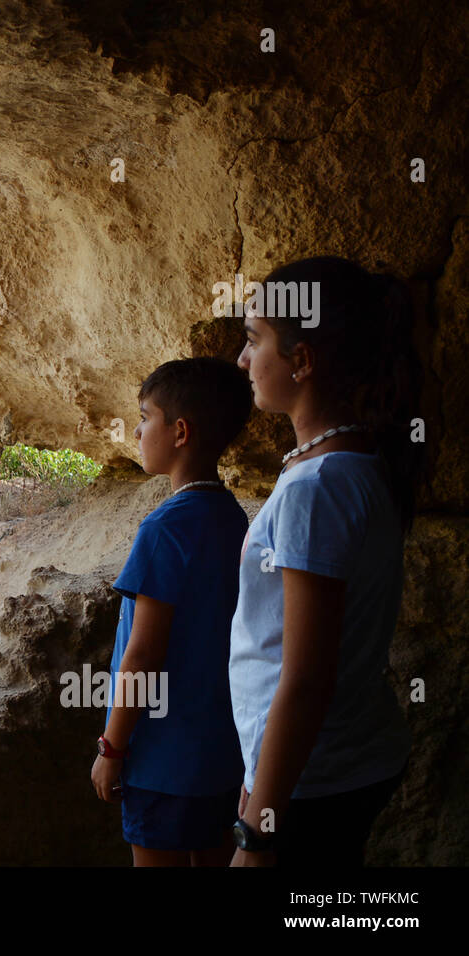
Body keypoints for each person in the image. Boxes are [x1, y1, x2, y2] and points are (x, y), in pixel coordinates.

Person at [228, 256, 422, 867]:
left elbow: (306, 679)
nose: (242, 359)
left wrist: (259, 828)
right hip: (320, 766)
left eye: (254, 340)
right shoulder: (353, 461)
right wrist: (260, 776)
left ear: (303, 360)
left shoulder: (319, 487)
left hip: (316, 774)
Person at [91, 357, 252, 866]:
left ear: (179, 431)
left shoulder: (163, 530)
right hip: (223, 757)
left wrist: (111, 748)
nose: (137, 430)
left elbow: (141, 658)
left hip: (162, 761)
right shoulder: (233, 518)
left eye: (145, 416)